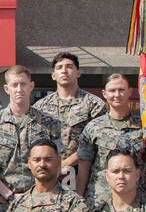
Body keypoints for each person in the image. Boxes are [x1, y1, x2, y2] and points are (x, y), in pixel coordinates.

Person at [0, 65, 62, 212]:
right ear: (6, 88)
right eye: (14, 85)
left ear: (31, 86)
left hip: (40, 200)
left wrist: (41, 193)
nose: (19, 89)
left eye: (23, 84)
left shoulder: (50, 123)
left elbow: (57, 162)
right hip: (1, 201)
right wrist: (9, 195)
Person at [33, 52, 107, 186]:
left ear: (78, 72)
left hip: (85, 176)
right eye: (59, 67)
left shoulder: (95, 105)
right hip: (48, 176)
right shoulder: (40, 107)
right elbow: (35, 142)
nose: (64, 71)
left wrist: (66, 163)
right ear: (53, 75)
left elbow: (97, 143)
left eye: (69, 67)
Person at [76, 73, 145, 202]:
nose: (117, 95)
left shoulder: (144, 127)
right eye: (112, 90)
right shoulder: (93, 128)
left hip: (135, 200)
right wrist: (79, 199)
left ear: (130, 92)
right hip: (100, 200)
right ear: (104, 93)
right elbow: (83, 168)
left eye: (121, 90)